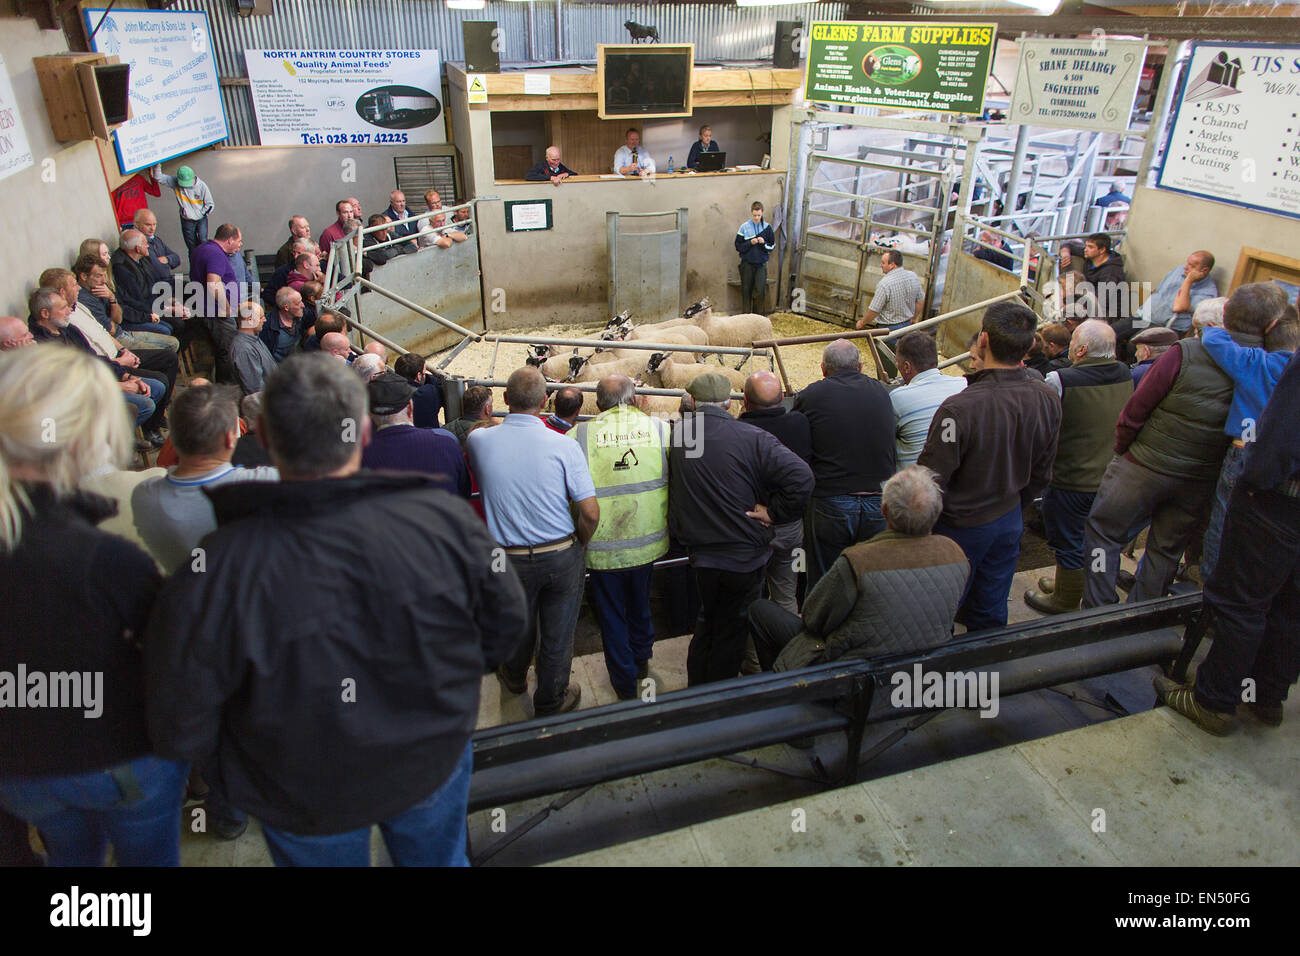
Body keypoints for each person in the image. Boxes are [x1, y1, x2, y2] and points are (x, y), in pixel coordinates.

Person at [145, 354, 528, 866]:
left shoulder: (212, 567)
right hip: (425, 756)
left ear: (260, 433)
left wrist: (241, 767)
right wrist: (447, 684)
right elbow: (505, 627)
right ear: (365, 433)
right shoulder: (444, 522)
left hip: (297, 787)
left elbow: (179, 715)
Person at [0, 346, 187, 866]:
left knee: (70, 854)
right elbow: (169, 659)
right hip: (114, 759)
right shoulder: (104, 558)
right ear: (88, 440)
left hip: (19, 772)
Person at [1081, 282, 1285, 608]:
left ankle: (1097, 607)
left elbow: (1136, 410)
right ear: (1271, 324)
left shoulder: (1186, 351)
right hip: (1198, 478)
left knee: (1103, 536)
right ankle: (1140, 616)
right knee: (1165, 550)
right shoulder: (1271, 369)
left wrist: (1124, 450)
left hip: (1143, 467)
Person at [1154, 347, 1300, 736]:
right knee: (1290, 604)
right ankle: (1266, 696)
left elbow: (1282, 436)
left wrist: (1252, 480)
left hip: (1279, 501)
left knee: (1242, 603)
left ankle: (1213, 702)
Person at [917, 301, 1061, 631]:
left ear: (982, 340)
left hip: (958, 527)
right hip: (1009, 518)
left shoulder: (960, 408)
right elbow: (1043, 469)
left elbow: (930, 480)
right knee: (991, 606)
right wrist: (1015, 504)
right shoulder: (1046, 396)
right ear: (1028, 346)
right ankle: (985, 674)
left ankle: (931, 676)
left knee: (939, 609)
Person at [468, 367, 599, 716]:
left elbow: (481, 434)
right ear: (545, 402)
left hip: (506, 559)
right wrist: (578, 544)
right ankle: (551, 699)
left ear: (506, 400)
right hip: (558, 552)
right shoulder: (564, 446)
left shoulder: (479, 441)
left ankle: (513, 678)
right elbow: (590, 513)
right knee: (558, 632)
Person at [747, 465, 968, 671]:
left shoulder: (859, 560)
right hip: (922, 670)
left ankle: (779, 692)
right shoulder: (955, 553)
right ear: (937, 512)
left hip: (855, 674)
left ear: (884, 511)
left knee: (760, 610)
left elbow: (814, 619)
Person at [669, 372, 814, 685]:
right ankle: (718, 702)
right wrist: (775, 513)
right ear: (730, 403)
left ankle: (695, 693)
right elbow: (802, 477)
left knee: (707, 620)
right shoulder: (751, 436)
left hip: (702, 554)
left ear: (692, 402)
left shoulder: (680, 436)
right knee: (732, 628)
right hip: (742, 555)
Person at [572, 374, 671, 699]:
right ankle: (642, 659)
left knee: (612, 614)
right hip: (648, 542)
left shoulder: (578, 435)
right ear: (636, 398)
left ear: (598, 403)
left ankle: (625, 682)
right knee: (641, 603)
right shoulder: (661, 428)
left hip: (601, 547)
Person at [1024, 321, 1134, 614]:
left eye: (1073, 341)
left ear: (1082, 349)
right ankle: (1070, 583)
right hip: (1110, 476)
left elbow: (1042, 425)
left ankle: (1065, 599)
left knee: (1067, 540)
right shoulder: (1125, 372)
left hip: (1070, 476)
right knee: (1092, 537)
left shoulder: (1061, 380)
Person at [132, 384, 279, 574]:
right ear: (230, 438)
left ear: (173, 439)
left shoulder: (144, 496)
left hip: (185, 595)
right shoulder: (266, 483)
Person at [1197, 309, 1297, 581]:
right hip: (1281, 468)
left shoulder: (1256, 362)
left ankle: (1210, 588)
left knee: (1222, 522)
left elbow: (1212, 337)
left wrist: (1227, 324)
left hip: (1243, 451)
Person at [794, 340, 896, 588]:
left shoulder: (810, 396)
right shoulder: (881, 391)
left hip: (832, 499)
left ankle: (822, 625)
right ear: (860, 366)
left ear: (823, 368)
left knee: (825, 580)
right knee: (869, 579)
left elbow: (800, 448)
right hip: (878, 500)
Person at [29, 287, 168, 441]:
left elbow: (95, 359)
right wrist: (118, 386)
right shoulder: (42, 346)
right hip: (86, 395)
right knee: (145, 404)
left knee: (157, 387)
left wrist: (126, 375)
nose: (69, 310)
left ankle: (124, 438)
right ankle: (110, 446)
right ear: (45, 314)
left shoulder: (68, 330)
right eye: (63, 308)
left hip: (100, 379)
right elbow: (73, 383)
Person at [47, 266, 178, 419]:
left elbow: (107, 329)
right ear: (62, 292)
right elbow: (106, 336)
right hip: (107, 365)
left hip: (116, 356)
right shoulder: (66, 323)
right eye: (74, 284)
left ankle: (158, 418)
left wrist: (123, 350)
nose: (78, 288)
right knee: (156, 386)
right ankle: (148, 428)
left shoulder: (78, 306)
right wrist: (120, 366)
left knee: (168, 353)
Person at [738, 370, 812, 619]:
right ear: (782, 397)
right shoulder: (800, 423)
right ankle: (785, 653)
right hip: (790, 528)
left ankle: (753, 658)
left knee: (750, 599)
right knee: (785, 594)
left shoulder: (738, 432)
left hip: (750, 526)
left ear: (745, 401)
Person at [361, 371, 469, 497]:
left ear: (369, 415)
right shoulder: (447, 443)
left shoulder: (359, 458)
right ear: (411, 408)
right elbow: (464, 491)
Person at [890, 331, 966, 470]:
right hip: (952, 475)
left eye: (898, 364)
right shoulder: (962, 384)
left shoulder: (899, 396)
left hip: (913, 482)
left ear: (906, 366)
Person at [111, 230, 177, 337]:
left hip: (154, 303)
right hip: (144, 311)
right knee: (176, 324)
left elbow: (156, 282)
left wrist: (170, 300)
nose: (148, 246)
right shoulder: (121, 268)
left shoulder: (142, 258)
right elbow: (138, 300)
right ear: (137, 248)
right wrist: (166, 309)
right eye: (145, 243)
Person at [1140, 251, 1218, 336]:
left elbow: (1179, 307)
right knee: (1122, 330)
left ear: (1204, 270)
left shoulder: (1208, 292)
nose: (1185, 267)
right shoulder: (1179, 270)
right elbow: (1158, 290)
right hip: (1144, 314)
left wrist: (1188, 280)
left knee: (1133, 344)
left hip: (1165, 326)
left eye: (1192, 266)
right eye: (1187, 263)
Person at [1080, 233, 1132, 355]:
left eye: (1090, 247)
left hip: (1109, 311)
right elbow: (1072, 246)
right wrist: (1065, 250)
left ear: (1102, 250)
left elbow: (1101, 301)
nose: (1085, 249)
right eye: (1086, 246)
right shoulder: (1090, 257)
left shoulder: (1111, 272)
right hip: (1092, 302)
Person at [857, 250, 924, 331]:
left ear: (892, 265)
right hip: (907, 325)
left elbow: (874, 310)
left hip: (888, 329)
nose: (880, 265)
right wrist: (914, 318)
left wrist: (862, 323)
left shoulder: (885, 284)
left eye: (883, 263)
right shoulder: (913, 276)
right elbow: (920, 300)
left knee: (886, 344)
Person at [154, 164, 214, 253]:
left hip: (201, 218)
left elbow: (210, 204)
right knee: (191, 246)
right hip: (186, 220)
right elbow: (158, 177)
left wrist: (200, 214)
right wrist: (157, 166)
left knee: (203, 240)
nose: (185, 186)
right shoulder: (175, 182)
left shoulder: (202, 186)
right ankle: (194, 263)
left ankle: (204, 259)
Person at [229, 302, 277, 396]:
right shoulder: (244, 350)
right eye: (261, 317)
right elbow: (255, 391)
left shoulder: (254, 337)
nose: (265, 320)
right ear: (250, 320)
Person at [735, 201, 775, 315]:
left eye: (759, 215)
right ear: (751, 213)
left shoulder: (767, 228)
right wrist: (749, 243)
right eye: (754, 215)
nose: (757, 218)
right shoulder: (744, 227)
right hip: (747, 263)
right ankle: (746, 318)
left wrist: (763, 243)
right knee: (746, 291)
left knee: (759, 291)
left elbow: (771, 246)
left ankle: (758, 318)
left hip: (761, 264)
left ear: (762, 213)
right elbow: (738, 246)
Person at [133, 207, 183, 288]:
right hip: (156, 286)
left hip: (168, 282)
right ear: (136, 224)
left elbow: (177, 259)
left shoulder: (155, 239)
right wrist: (168, 263)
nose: (152, 228)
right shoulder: (137, 243)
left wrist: (167, 259)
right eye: (148, 224)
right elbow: (158, 269)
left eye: (154, 224)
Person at [258, 287, 307, 363]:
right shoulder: (267, 328)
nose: (303, 305)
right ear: (286, 307)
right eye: (298, 303)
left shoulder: (304, 314)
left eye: (301, 301)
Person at [394, 351, 444, 427]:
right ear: (418, 375)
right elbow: (437, 384)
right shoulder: (427, 392)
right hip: (427, 436)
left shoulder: (388, 391)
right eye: (424, 372)